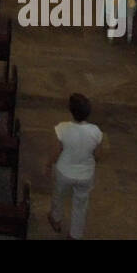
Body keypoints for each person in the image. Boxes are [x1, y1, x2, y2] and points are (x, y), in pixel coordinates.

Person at [47, 92, 105, 240]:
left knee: (58, 196)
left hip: (64, 172)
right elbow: (97, 156)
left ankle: (56, 219)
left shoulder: (62, 128)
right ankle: (75, 234)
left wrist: (48, 165)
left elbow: (55, 152)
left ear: (71, 111)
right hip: (85, 175)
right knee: (81, 205)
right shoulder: (96, 131)